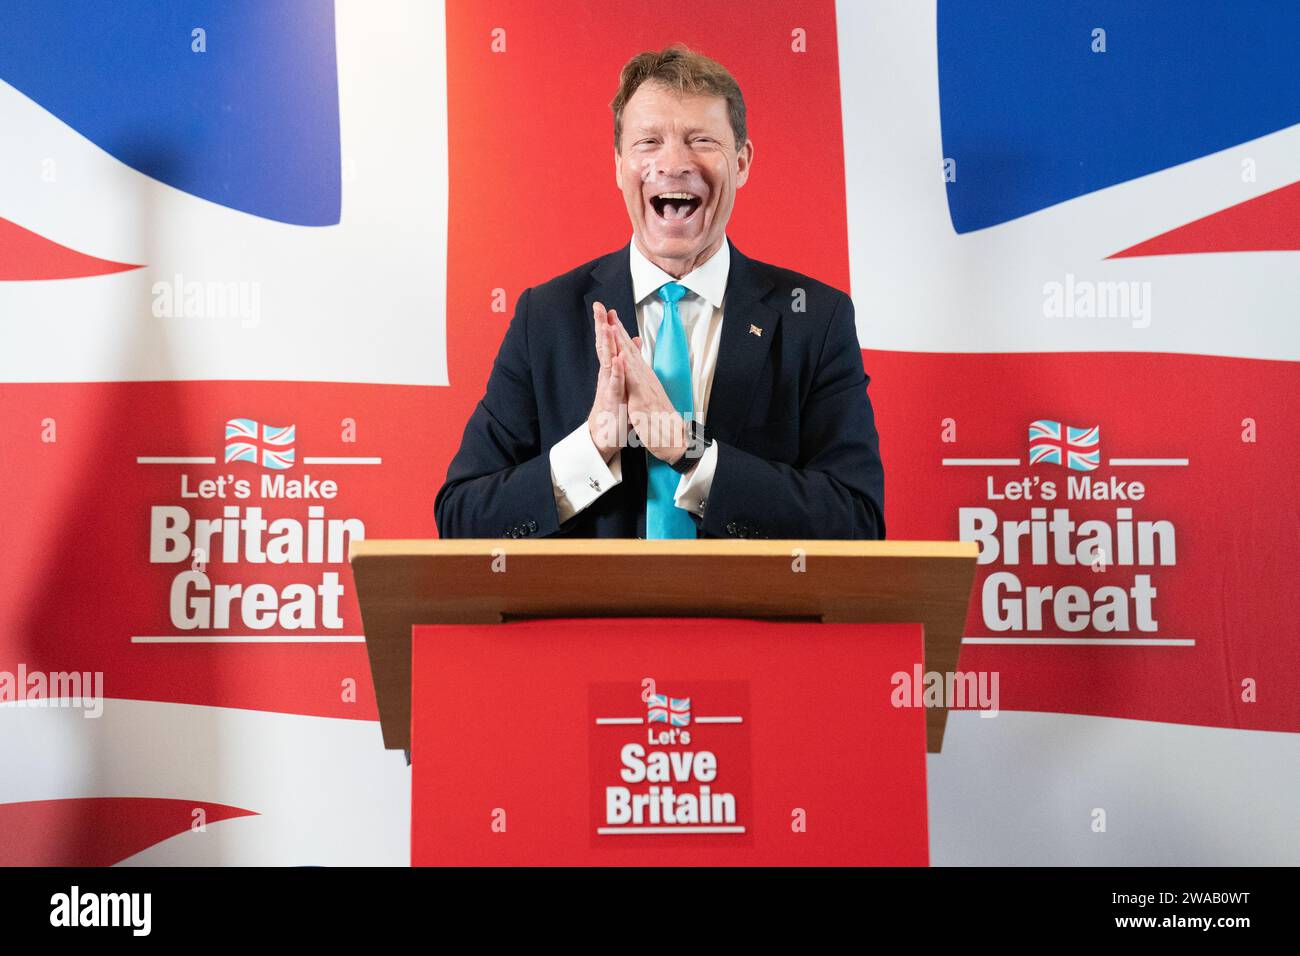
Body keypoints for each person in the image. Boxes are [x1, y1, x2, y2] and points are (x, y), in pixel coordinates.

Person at [435, 45, 884, 540]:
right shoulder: (545, 317)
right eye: (649, 141)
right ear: (619, 164)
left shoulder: (814, 320)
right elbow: (462, 519)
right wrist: (591, 446)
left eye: (701, 140)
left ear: (742, 162)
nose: (673, 163)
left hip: (744, 616)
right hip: (593, 618)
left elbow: (856, 523)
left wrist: (690, 452)